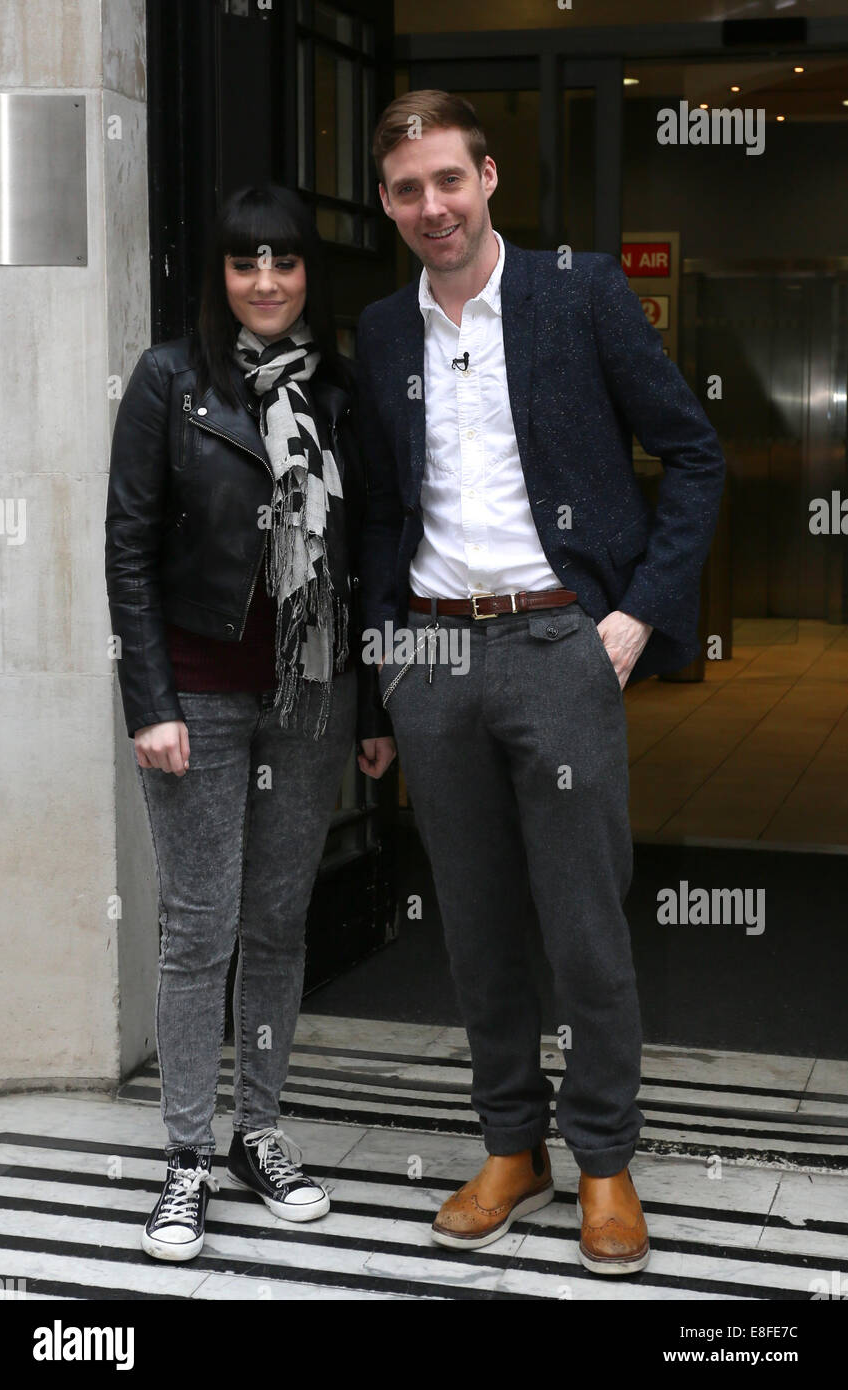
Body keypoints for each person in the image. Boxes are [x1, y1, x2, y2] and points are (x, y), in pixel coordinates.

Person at [356, 91, 725, 1275]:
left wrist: (630, 620)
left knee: (581, 926)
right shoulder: (378, 332)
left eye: (448, 180)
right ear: (386, 201)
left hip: (561, 644)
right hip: (432, 654)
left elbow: (694, 452)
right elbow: (373, 516)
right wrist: (383, 675)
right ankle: (511, 1148)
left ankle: (605, 1163)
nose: (432, 207)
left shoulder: (579, 294)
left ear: (489, 178)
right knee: (474, 931)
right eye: (407, 188)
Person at [105, 183, 396, 1262]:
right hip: (198, 696)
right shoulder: (170, 382)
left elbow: (366, 554)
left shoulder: (342, 394)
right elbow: (127, 549)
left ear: (308, 271)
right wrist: (150, 703)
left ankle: (257, 1132)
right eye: (244, 263)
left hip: (307, 697)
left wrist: (367, 702)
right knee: (198, 928)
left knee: (277, 925)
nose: (266, 282)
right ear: (218, 275)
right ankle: (185, 1153)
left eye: (283, 261)